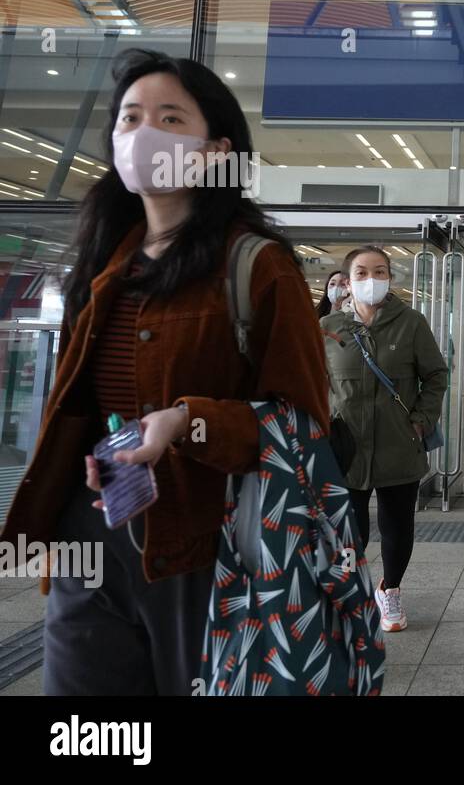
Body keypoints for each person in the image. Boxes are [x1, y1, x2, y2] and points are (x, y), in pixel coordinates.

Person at [0, 49, 330, 695]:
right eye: (130, 117)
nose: (142, 132)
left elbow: (302, 423)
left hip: (207, 544)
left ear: (215, 149)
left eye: (170, 118)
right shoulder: (103, 262)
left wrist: (187, 421)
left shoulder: (257, 266)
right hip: (89, 532)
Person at [322, 245, 448, 632]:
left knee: (397, 528)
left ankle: (390, 589)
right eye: (361, 273)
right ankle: (352, 595)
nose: (370, 280)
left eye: (379, 272)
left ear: (390, 278)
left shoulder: (411, 323)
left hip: (399, 444)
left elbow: (436, 375)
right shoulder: (329, 328)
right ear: (347, 281)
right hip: (345, 449)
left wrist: (422, 420)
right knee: (350, 532)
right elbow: (311, 380)